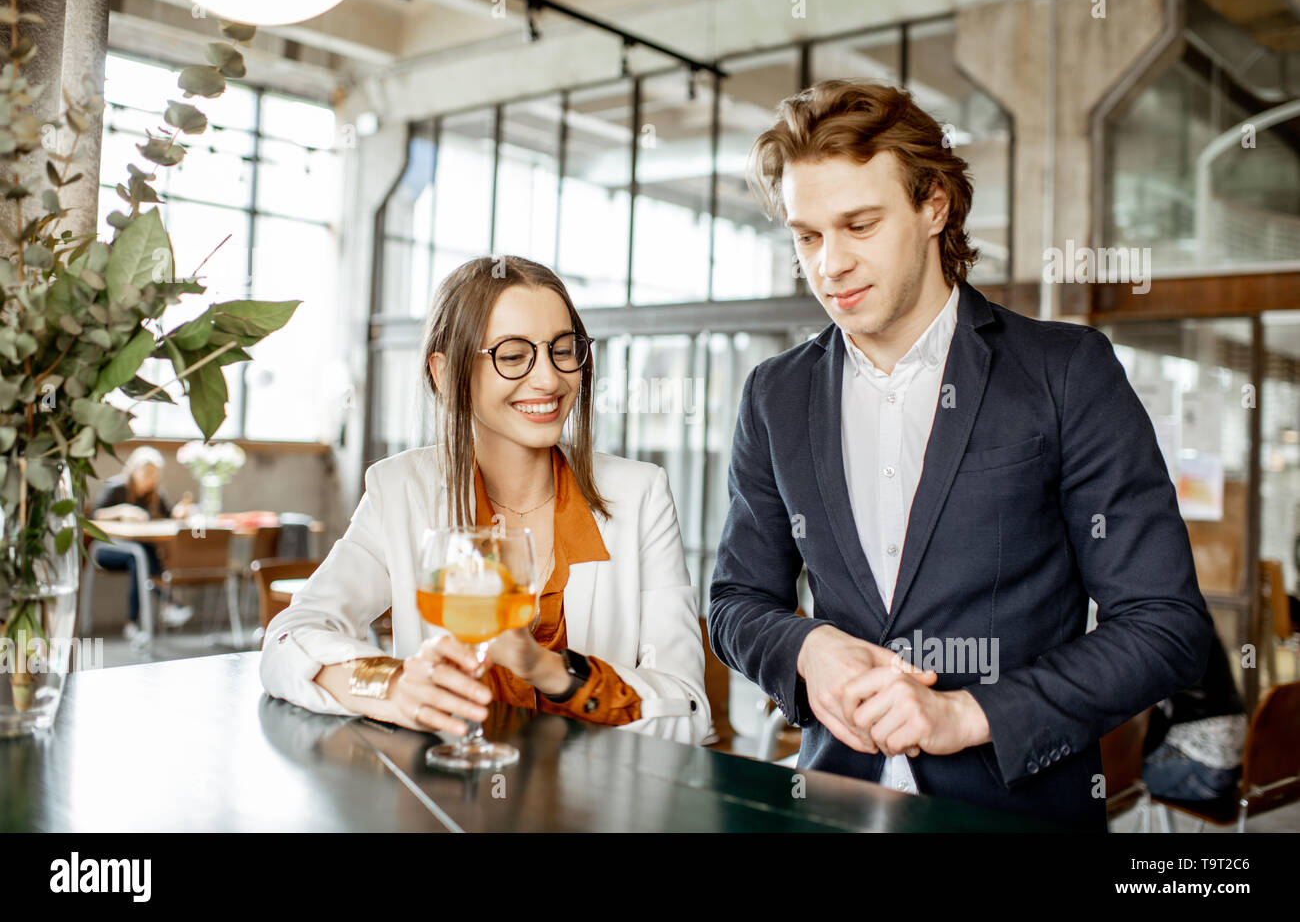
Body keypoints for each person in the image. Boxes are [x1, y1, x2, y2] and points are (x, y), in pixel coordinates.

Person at [707, 79, 1214, 830]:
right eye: (807, 235)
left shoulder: (1064, 371)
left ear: (934, 206)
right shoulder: (773, 395)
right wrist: (808, 646)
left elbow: (1165, 625)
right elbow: (734, 602)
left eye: (860, 224)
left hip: (1018, 813)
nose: (830, 264)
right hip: (831, 807)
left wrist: (967, 714)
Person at [260, 255, 709, 745]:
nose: (549, 380)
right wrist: (390, 685)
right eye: (514, 356)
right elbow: (287, 639)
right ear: (444, 371)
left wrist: (549, 669)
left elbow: (688, 711)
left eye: (563, 350)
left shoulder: (640, 495)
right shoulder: (400, 490)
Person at [91, 446, 196, 640]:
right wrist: (123, 510)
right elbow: (94, 516)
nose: (151, 479)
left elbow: (169, 514)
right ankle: (167, 604)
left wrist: (179, 513)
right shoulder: (117, 488)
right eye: (147, 473)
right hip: (106, 549)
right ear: (134, 469)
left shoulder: (155, 494)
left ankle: (136, 622)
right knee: (140, 555)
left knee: (143, 555)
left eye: (155, 475)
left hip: (138, 550)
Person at [1142, 633, 1245, 802]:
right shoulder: (1197, 620)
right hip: (1235, 767)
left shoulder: (1155, 633)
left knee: (1104, 780)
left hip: (1204, 771)